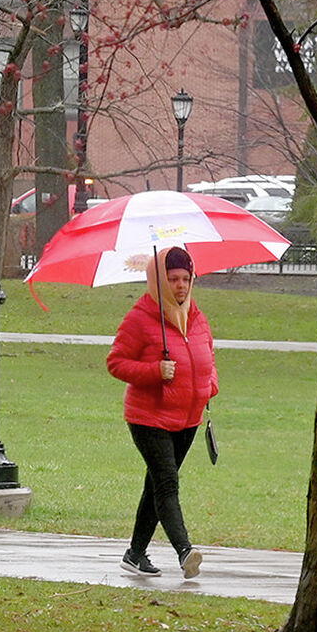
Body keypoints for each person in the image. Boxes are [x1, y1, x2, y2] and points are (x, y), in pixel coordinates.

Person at [106, 245, 218, 579]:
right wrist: (155, 371)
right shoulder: (141, 317)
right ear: (158, 280)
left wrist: (210, 384)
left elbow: (208, 355)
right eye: (172, 279)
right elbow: (116, 362)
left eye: (186, 278)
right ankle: (185, 551)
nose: (181, 286)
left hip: (188, 418)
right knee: (167, 483)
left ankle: (135, 553)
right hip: (149, 417)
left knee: (155, 485)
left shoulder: (196, 316)